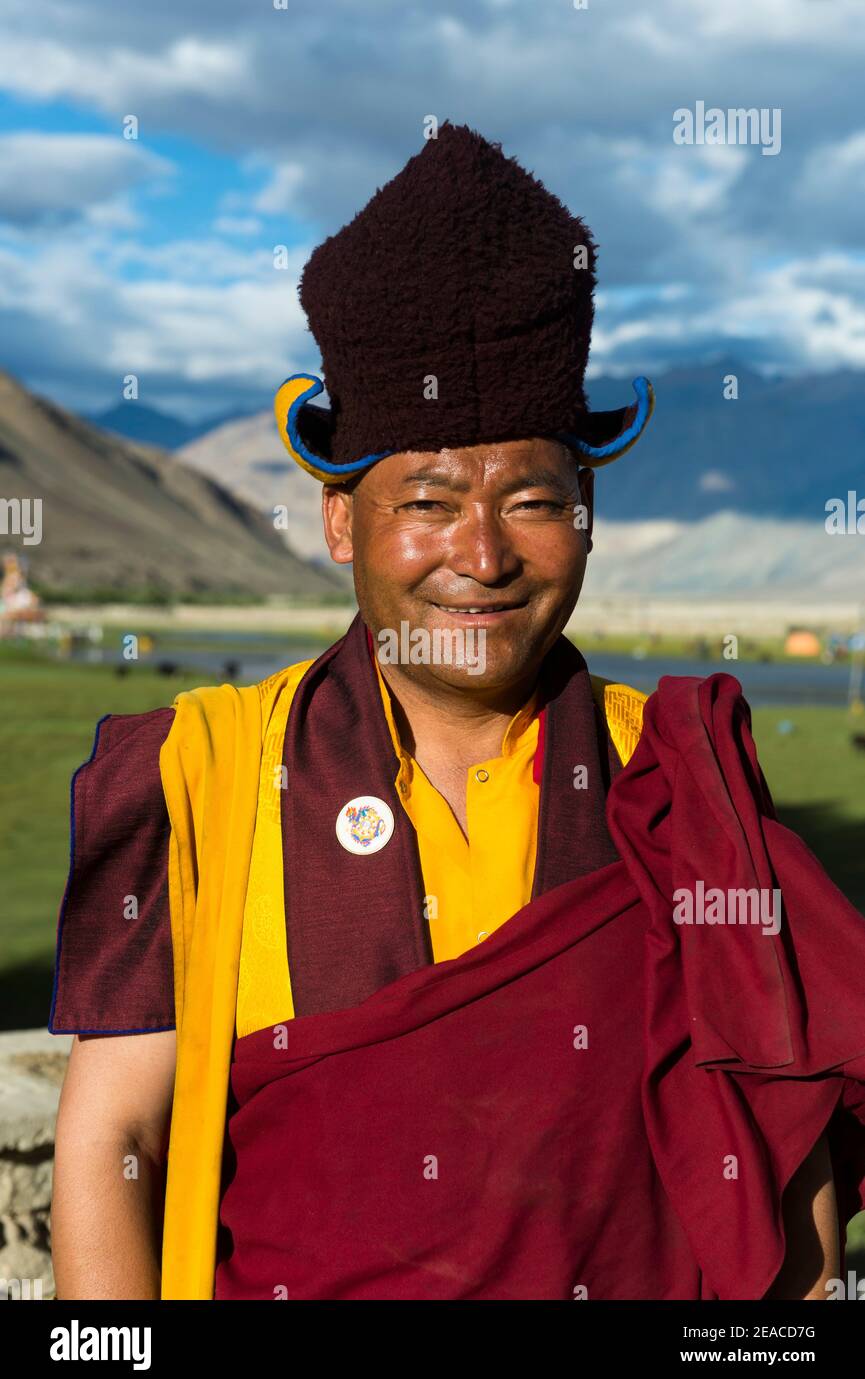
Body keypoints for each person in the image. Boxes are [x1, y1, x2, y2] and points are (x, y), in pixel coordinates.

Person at [50, 122, 865, 1301]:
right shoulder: (199, 772)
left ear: (585, 508)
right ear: (340, 521)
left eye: (531, 499)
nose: (480, 556)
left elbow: (781, 1168)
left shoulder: (678, 772)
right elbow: (116, 1141)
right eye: (426, 500)